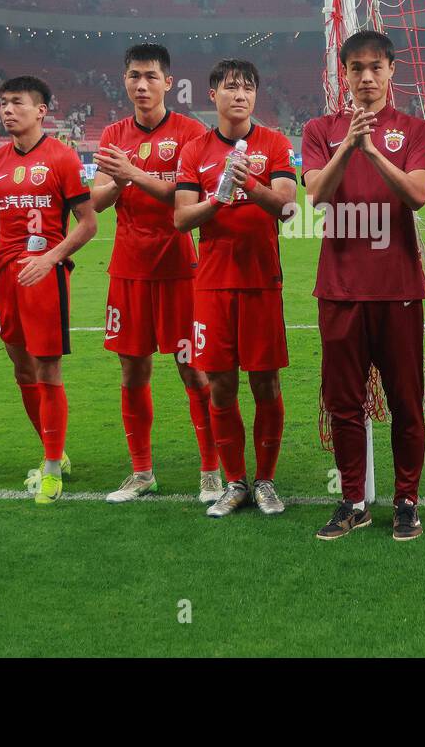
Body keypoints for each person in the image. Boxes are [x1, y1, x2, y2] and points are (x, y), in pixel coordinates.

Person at [300, 30, 425, 541]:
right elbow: (315, 195)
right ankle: (352, 500)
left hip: (398, 288)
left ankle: (406, 501)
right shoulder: (319, 129)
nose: (366, 78)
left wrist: (374, 152)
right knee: (344, 403)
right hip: (339, 289)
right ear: (345, 74)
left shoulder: (414, 129)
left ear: (391, 71)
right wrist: (348, 147)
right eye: (356, 68)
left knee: (405, 401)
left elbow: (418, 195)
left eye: (376, 67)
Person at [0, 76, 97, 505]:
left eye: (17, 102)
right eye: (3, 103)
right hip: (6, 279)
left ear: (41, 110)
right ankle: (54, 453)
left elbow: (89, 223)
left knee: (47, 371)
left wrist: (51, 258)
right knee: (22, 370)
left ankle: (51, 471)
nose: (7, 109)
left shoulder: (62, 157)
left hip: (45, 277)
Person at [91, 44, 220, 505]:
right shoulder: (112, 133)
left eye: (150, 76)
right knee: (133, 372)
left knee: (194, 372)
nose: (141, 85)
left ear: (169, 81)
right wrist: (119, 179)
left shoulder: (191, 133)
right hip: (128, 269)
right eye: (133, 76)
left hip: (179, 269)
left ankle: (210, 472)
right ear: (124, 81)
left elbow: (192, 203)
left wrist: (133, 172)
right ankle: (141, 472)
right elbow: (97, 201)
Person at [173, 59, 296, 518]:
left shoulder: (276, 143)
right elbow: (181, 218)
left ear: (256, 96)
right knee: (220, 386)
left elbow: (287, 209)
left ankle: (265, 480)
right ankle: (235, 482)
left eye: (247, 88)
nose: (239, 94)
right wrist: (217, 196)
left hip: (262, 281)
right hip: (213, 286)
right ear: (214, 95)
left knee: (265, 381)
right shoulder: (195, 150)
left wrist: (251, 184)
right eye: (230, 87)